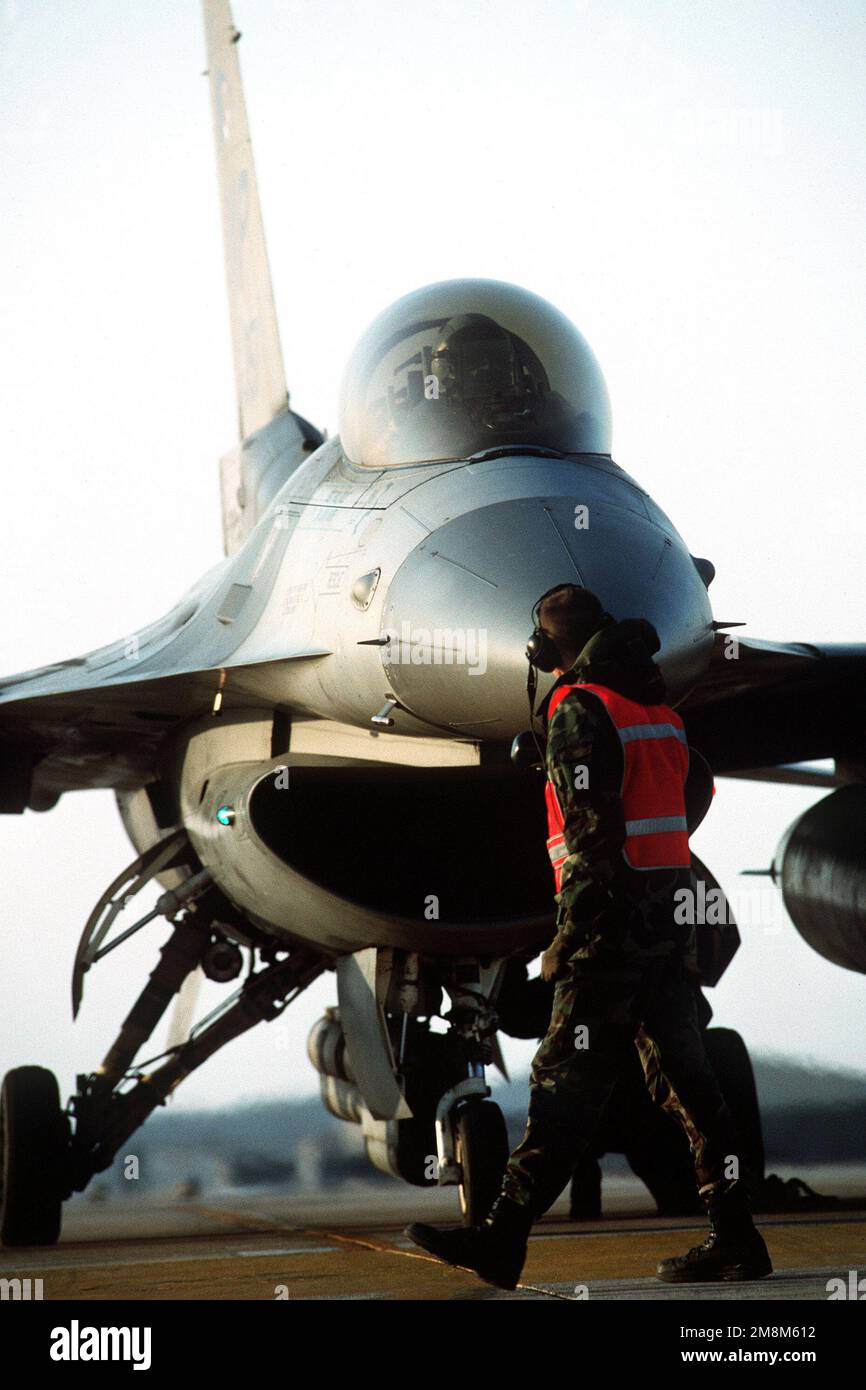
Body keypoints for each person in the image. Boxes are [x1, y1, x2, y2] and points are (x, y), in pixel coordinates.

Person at [406, 584, 772, 1289]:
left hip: (610, 934)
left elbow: (592, 844)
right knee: (691, 1089)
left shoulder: (581, 710)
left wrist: (565, 943)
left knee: (564, 1088)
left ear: (549, 643)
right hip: (666, 926)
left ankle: (501, 1239)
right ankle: (736, 1237)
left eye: (539, 637)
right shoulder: (654, 706)